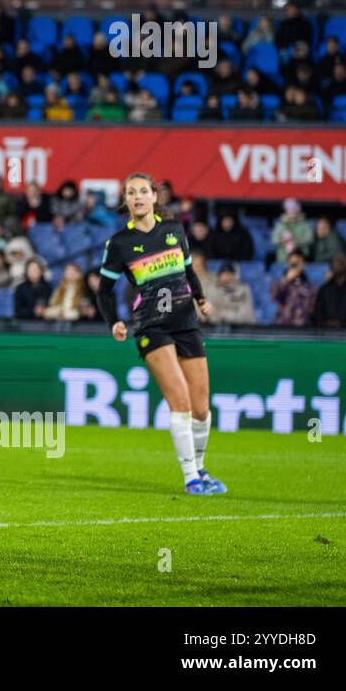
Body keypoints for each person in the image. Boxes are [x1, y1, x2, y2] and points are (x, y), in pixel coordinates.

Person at [96, 173, 226, 495]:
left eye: (143, 191)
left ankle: (200, 468)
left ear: (154, 197)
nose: (137, 197)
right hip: (151, 327)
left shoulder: (174, 231)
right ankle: (190, 478)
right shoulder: (120, 244)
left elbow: (187, 270)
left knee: (201, 408)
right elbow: (103, 291)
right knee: (179, 402)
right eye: (131, 193)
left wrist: (200, 298)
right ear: (126, 201)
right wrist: (113, 321)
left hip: (185, 323)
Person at [312, 255, 346, 328]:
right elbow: (318, 311)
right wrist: (326, 322)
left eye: (340, 262)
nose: (336, 265)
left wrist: (342, 323)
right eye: (334, 263)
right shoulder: (325, 288)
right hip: (325, 331)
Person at [271, 251, 315, 326]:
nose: (295, 266)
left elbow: (312, 309)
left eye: (298, 263)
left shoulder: (310, 287)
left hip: (302, 328)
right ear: (288, 264)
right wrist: (286, 279)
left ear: (303, 264)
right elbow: (274, 295)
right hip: (282, 326)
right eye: (292, 263)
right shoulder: (280, 283)